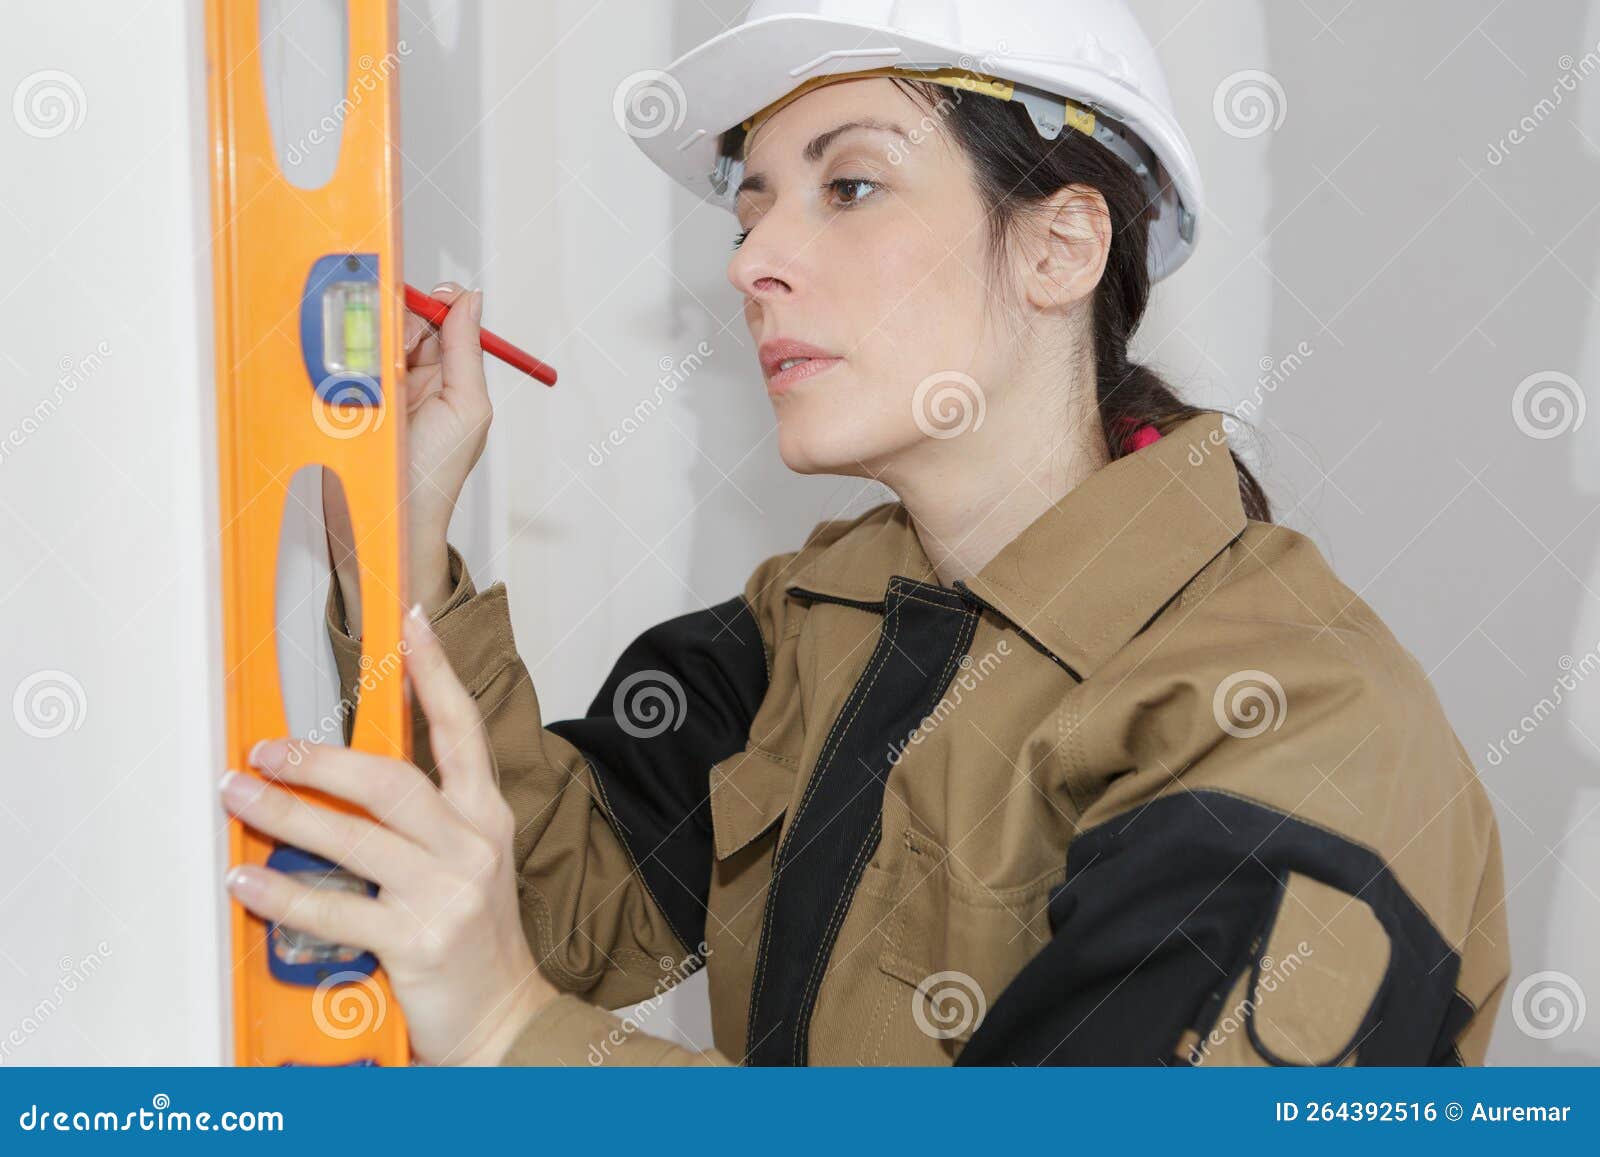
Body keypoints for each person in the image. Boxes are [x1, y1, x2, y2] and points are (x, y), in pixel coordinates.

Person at [218, 0, 1509, 1066]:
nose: (750, 264)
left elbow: (517, 986)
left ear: (1062, 246)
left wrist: (511, 1029)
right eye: (751, 212)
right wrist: (398, 531)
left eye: (849, 185)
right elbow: (560, 910)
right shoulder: (822, 613)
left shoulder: (1296, 723)